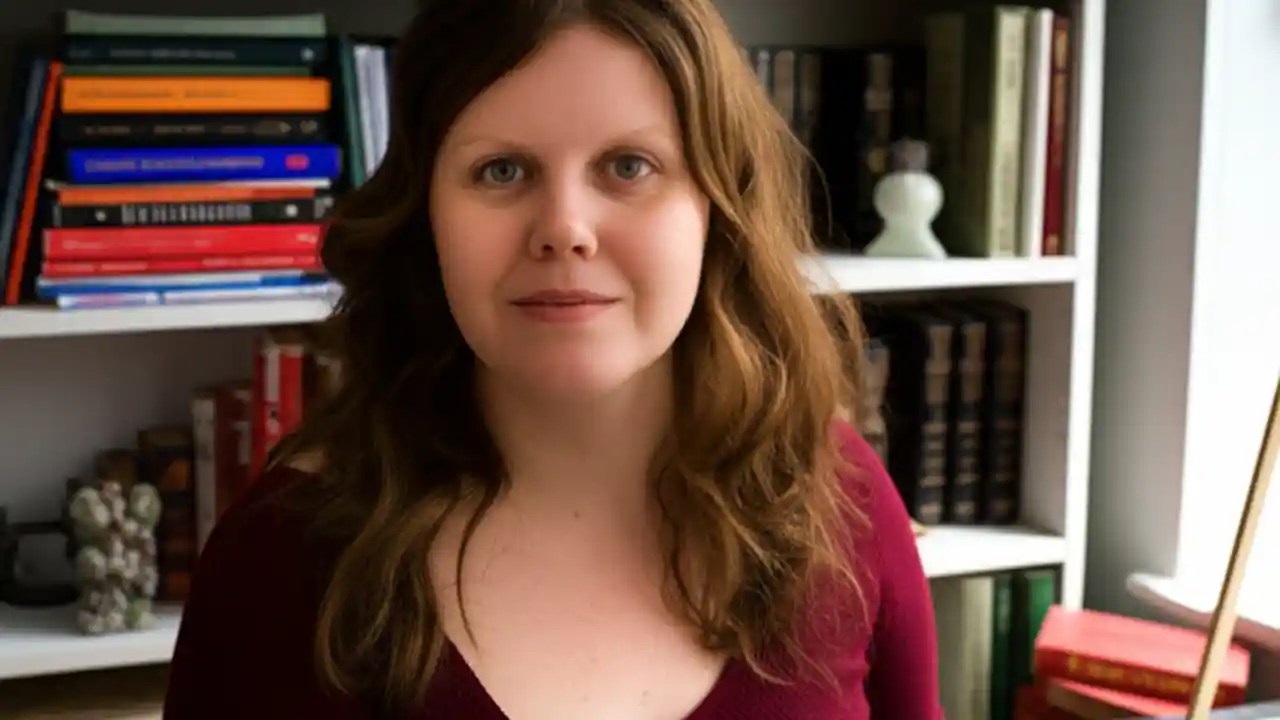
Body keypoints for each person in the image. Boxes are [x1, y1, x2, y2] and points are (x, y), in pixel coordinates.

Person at [162, 0, 941, 718]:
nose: (565, 229)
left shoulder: (843, 503)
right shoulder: (275, 558)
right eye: (501, 170)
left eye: (628, 166)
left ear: (717, 208)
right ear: (425, 216)